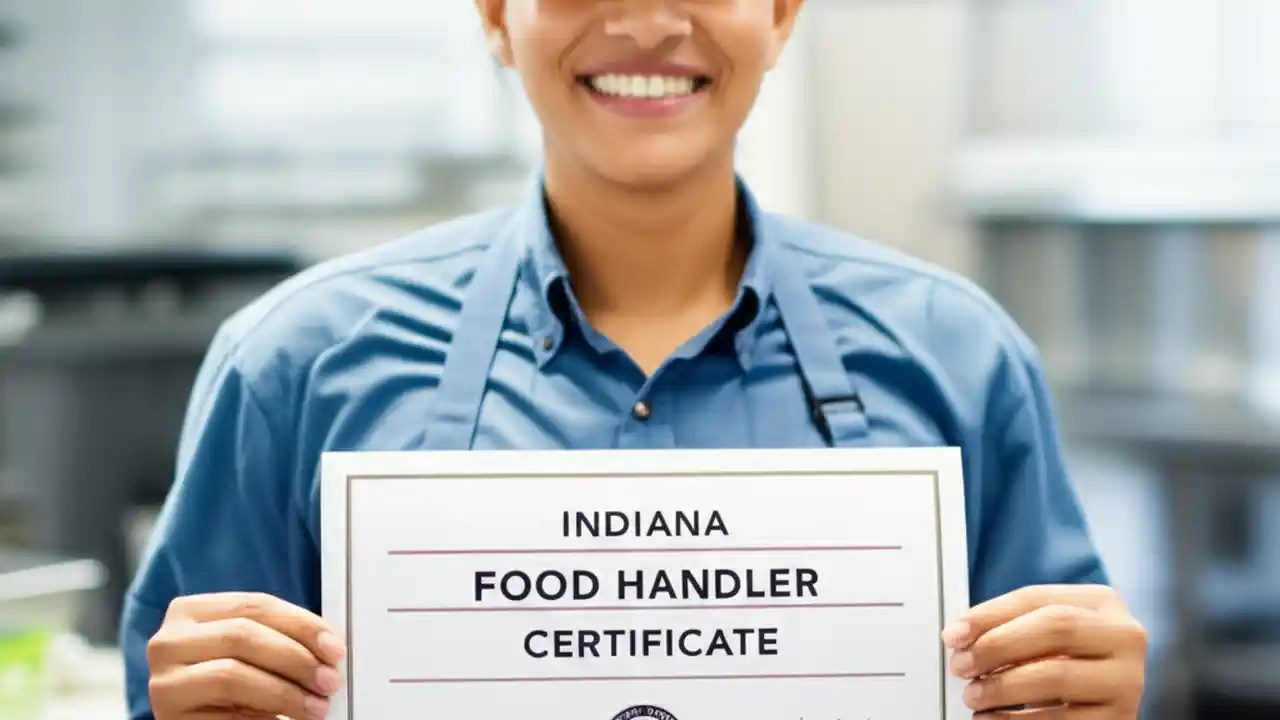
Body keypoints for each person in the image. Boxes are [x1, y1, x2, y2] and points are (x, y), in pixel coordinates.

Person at [121, 1, 1148, 718]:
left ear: (780, 13)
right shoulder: (294, 364)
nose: (649, 20)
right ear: (492, 14)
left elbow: (1046, 694)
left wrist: (1081, 693)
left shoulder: (957, 355)